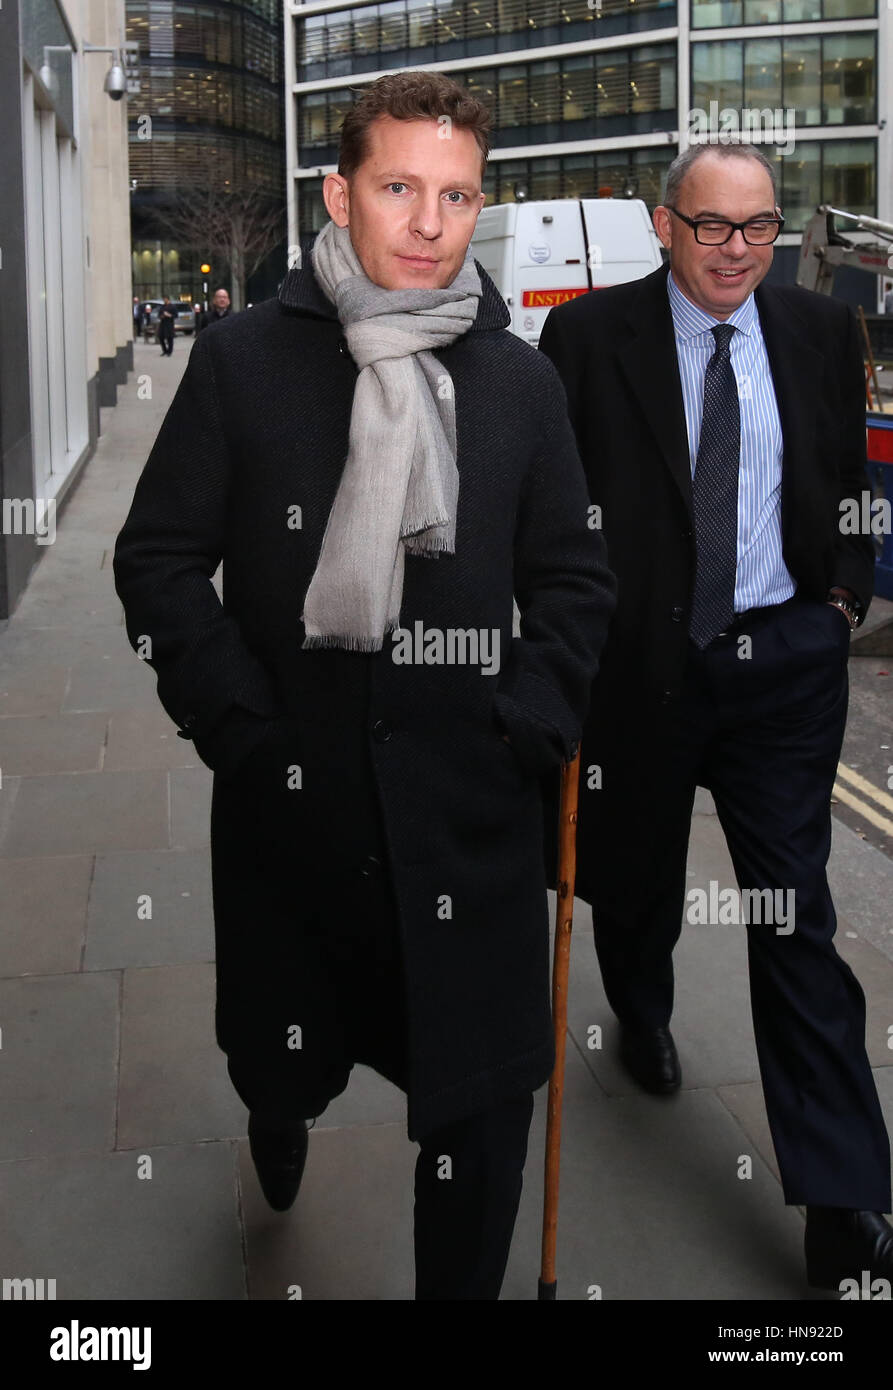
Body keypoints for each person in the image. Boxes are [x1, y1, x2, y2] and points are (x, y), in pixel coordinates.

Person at [113, 70, 615, 1300]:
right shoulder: (241, 361)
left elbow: (572, 577)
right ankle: (274, 1108)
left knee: (480, 1127)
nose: (429, 223)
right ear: (340, 196)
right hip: (294, 817)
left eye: (456, 196)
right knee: (280, 1062)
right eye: (398, 188)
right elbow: (159, 561)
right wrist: (242, 728)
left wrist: (532, 720)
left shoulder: (519, 381)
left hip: (471, 823)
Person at [539, 141, 893, 1292]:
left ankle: (842, 1200)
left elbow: (844, 479)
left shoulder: (817, 330)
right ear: (664, 225)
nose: (736, 250)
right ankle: (640, 1008)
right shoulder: (588, 338)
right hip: (638, 676)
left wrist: (839, 599)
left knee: (792, 920)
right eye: (710, 226)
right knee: (634, 878)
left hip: (780, 670)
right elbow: (551, 508)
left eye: (758, 227)